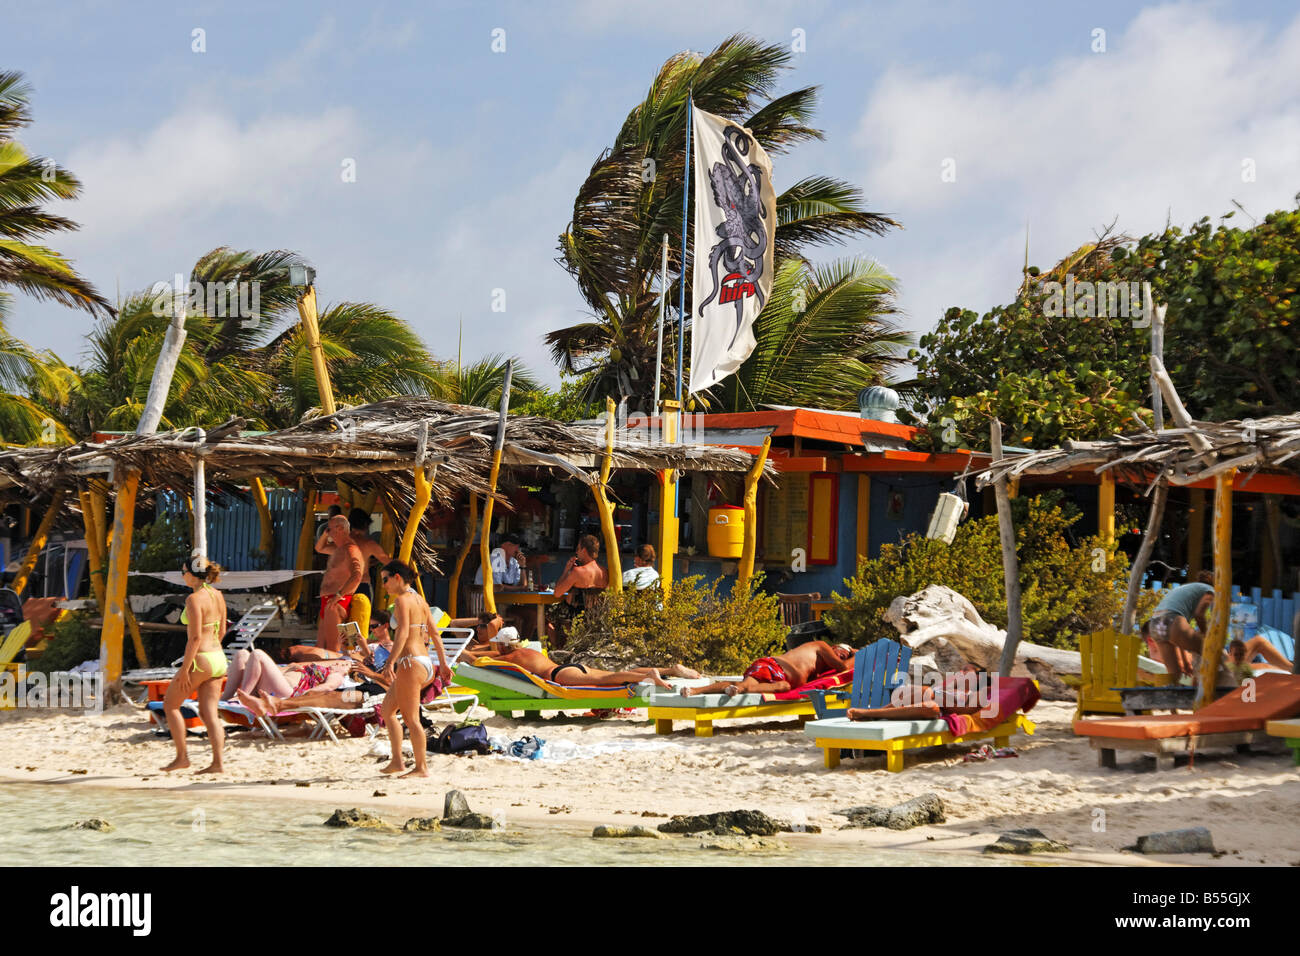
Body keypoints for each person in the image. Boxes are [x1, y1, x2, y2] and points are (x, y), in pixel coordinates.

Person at [379, 560, 451, 778]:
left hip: (410, 663)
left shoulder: (402, 600)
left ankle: (421, 768)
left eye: (385, 579)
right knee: (387, 711)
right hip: (425, 663)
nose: (384, 585)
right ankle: (397, 761)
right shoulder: (420, 600)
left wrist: (390, 661)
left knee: (411, 719)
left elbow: (401, 634)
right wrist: (444, 663)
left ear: (398, 578)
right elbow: (435, 634)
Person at [161, 558, 229, 773]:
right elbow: (222, 631)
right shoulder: (217, 595)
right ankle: (217, 764)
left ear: (192, 574)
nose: (182, 576)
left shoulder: (193, 599)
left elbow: (195, 638)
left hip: (201, 659)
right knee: (209, 713)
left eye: (183, 572)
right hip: (218, 657)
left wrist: (184, 670)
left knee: (170, 705)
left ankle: (182, 758)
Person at [471, 630, 680, 688]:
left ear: (505, 644)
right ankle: (669, 670)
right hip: (571, 667)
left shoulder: (512, 657)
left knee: (606, 680)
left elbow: (477, 659)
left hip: (560, 675)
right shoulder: (528, 650)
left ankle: (648, 677)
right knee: (612, 675)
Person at [683, 641, 853, 698]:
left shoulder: (818, 670)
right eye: (842, 652)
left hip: (781, 680)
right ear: (834, 647)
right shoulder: (821, 646)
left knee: (783, 687)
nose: (842, 656)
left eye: (846, 655)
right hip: (773, 666)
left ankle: (697, 690)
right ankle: (697, 690)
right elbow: (843, 668)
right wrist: (856, 653)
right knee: (746, 685)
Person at [226, 649, 352, 708]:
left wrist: (303, 697)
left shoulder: (337, 676)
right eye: (339, 662)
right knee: (242, 654)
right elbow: (277, 670)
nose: (338, 663)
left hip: (289, 694)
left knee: (258, 654)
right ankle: (225, 698)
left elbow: (327, 687)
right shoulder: (317, 667)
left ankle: (243, 696)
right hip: (275, 685)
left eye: (344, 664)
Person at [314, 514, 364, 653]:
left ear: (340, 528)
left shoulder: (350, 550)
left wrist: (338, 595)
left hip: (337, 601)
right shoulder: (337, 549)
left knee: (332, 648)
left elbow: (357, 575)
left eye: (330, 529)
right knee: (320, 647)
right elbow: (319, 548)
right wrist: (325, 534)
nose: (328, 532)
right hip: (329, 600)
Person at [547, 534, 608, 646]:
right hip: (595, 618)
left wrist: (566, 570)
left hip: (575, 617)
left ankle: (557, 651)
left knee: (549, 619)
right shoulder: (604, 572)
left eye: (578, 549)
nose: (577, 553)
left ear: (584, 550)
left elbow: (557, 593)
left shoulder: (578, 572)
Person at [349, 508, 392, 598]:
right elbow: (389, 562)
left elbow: (320, 548)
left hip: (343, 585)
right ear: (366, 525)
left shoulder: (340, 542)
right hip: (362, 585)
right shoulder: (369, 544)